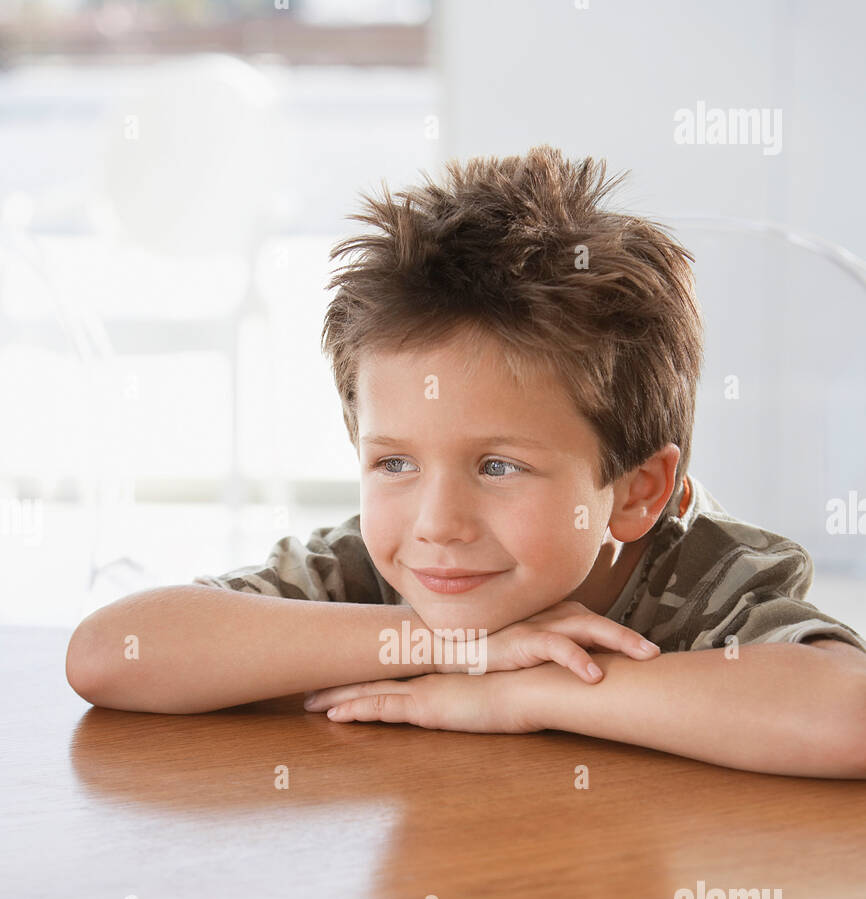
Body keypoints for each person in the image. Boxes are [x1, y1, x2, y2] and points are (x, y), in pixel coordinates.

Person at [65, 146, 866, 777]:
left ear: (636, 492)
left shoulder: (702, 576)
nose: (436, 524)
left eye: (496, 468)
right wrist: (440, 646)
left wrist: (533, 694)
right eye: (394, 464)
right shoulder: (392, 573)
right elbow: (112, 655)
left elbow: (847, 718)